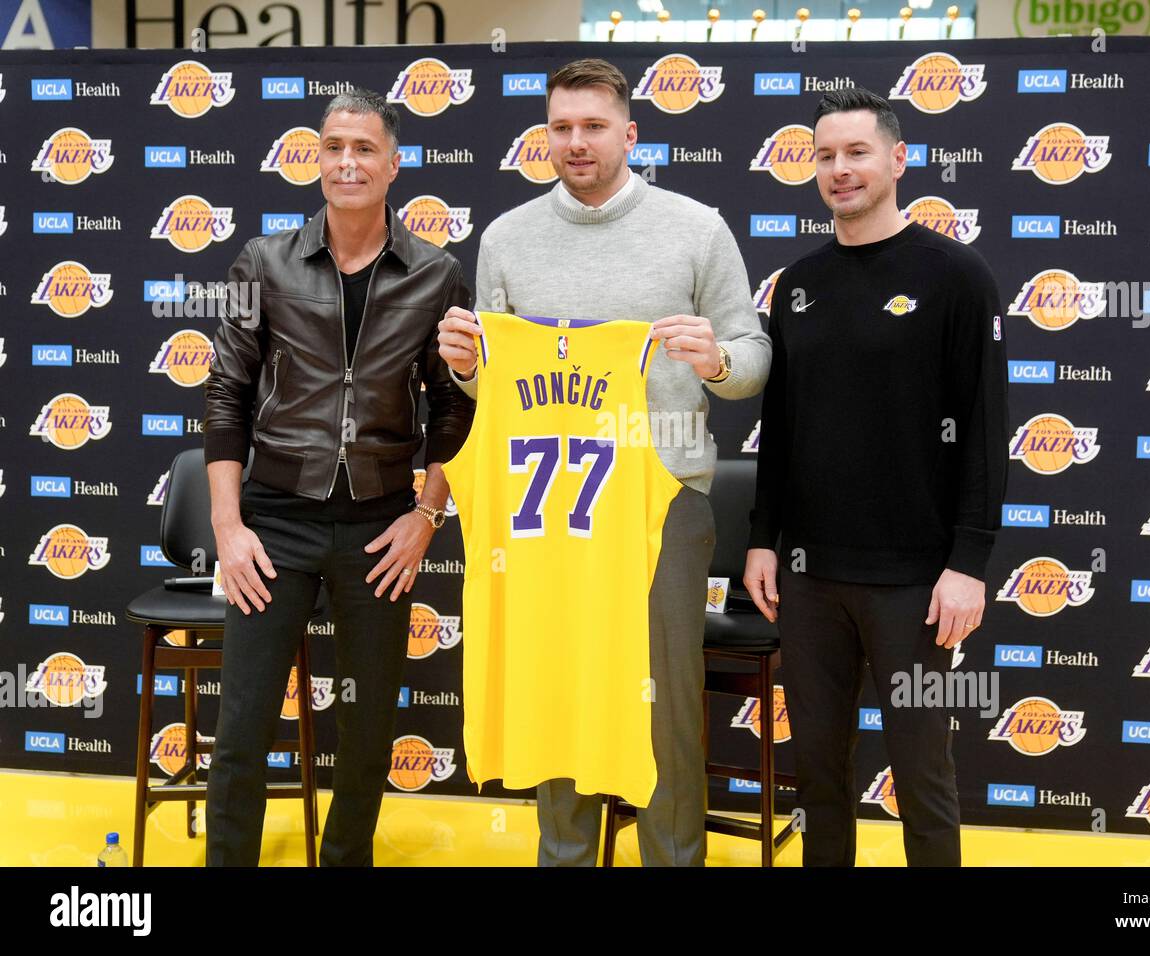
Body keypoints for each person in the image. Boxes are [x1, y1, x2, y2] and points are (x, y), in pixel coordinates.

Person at [437, 58, 771, 867]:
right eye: (561, 128)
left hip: (664, 504)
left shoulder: (696, 227)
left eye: (593, 127)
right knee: (560, 695)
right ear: (543, 135)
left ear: (630, 132)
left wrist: (717, 361)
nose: (576, 143)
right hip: (548, 510)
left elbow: (755, 357)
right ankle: (565, 858)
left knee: (660, 713)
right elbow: (495, 392)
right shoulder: (508, 238)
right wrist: (464, 365)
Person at [202, 89, 474, 866]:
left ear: (394, 163)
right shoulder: (264, 261)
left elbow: (454, 412)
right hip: (273, 519)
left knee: (367, 736)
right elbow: (225, 394)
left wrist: (425, 516)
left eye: (363, 148)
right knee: (245, 726)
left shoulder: (437, 274)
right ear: (315, 160)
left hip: (379, 525)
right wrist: (229, 526)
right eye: (332, 147)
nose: (346, 161)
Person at [743, 87, 1009, 867]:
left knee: (924, 779)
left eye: (856, 152)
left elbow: (988, 433)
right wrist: (763, 540)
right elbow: (781, 428)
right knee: (819, 778)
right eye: (823, 156)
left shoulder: (957, 274)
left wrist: (968, 563)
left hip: (915, 583)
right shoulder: (797, 283)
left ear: (898, 159)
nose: (839, 170)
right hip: (810, 579)